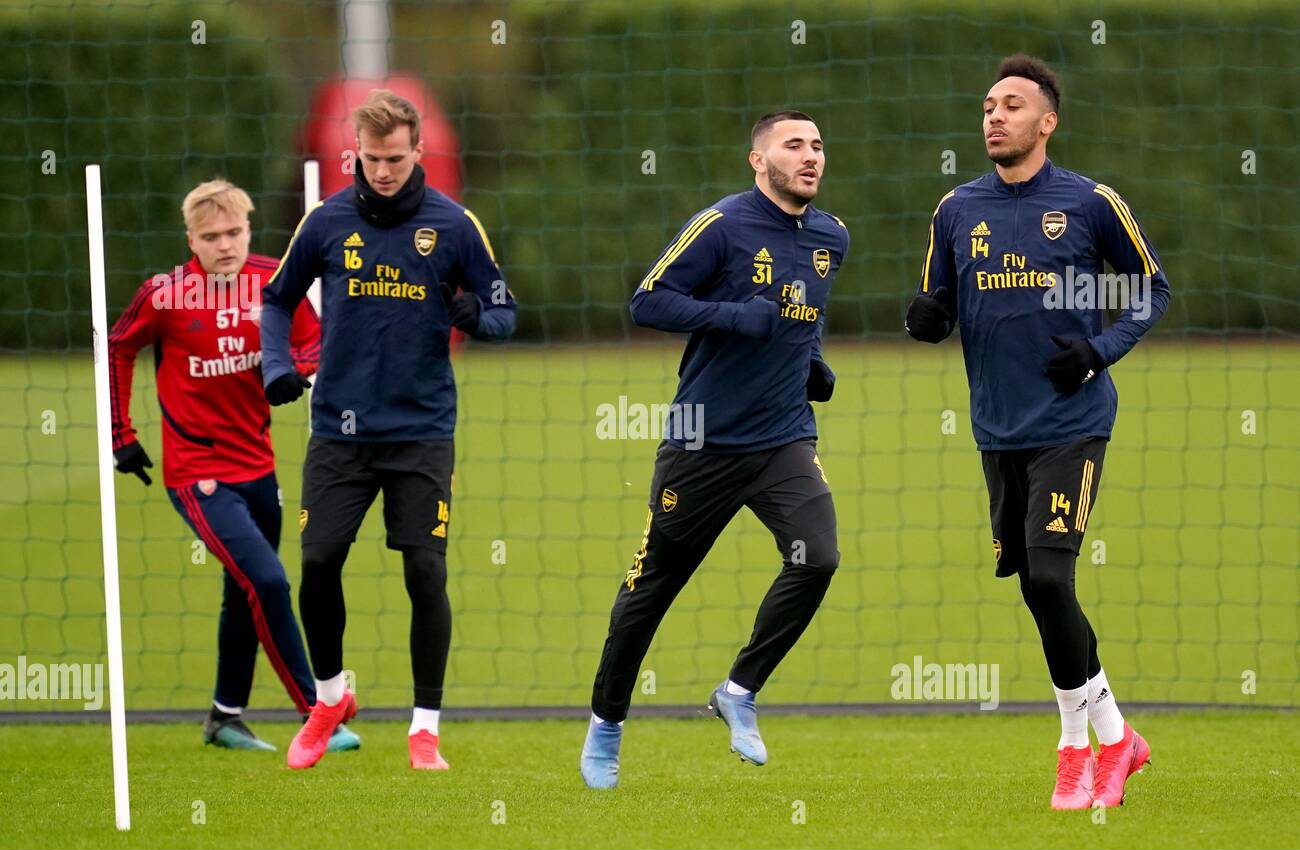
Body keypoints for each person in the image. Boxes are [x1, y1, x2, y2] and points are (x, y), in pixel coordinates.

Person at [906, 55, 1169, 809]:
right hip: (998, 431)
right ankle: (1117, 738)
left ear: (1046, 123)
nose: (994, 115)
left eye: (1012, 105)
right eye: (988, 104)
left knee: (1053, 576)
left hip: (1073, 423)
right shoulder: (956, 209)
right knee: (1033, 586)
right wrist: (929, 319)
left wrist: (1099, 350)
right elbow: (938, 300)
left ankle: (1072, 750)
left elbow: (1153, 286)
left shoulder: (1089, 203)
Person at [580, 111, 849, 788]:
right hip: (702, 444)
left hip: (784, 439)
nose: (810, 156)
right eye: (794, 146)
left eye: (817, 145)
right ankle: (607, 726)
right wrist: (734, 318)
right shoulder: (722, 225)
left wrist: (812, 360)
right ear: (759, 161)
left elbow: (801, 311)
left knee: (818, 557)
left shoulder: (831, 237)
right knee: (649, 591)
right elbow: (648, 301)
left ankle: (739, 690)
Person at [260, 89, 517, 771]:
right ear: (356, 154)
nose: (382, 171)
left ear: (417, 151)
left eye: (394, 159)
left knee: (425, 570)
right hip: (339, 431)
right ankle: (328, 697)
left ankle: (424, 728)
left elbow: (502, 310)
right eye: (371, 159)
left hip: (422, 432)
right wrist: (277, 366)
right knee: (317, 562)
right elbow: (277, 298)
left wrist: (474, 318)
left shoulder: (456, 225)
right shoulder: (326, 221)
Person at [109, 178, 359, 754]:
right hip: (197, 472)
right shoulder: (164, 295)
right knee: (268, 580)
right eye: (211, 236)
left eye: (235, 232)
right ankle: (318, 710)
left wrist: (296, 369)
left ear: (249, 230)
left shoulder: (274, 281)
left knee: (243, 588)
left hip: (259, 469)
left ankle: (224, 717)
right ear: (190, 240)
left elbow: (314, 344)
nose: (225, 245)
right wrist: (122, 433)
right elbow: (119, 346)